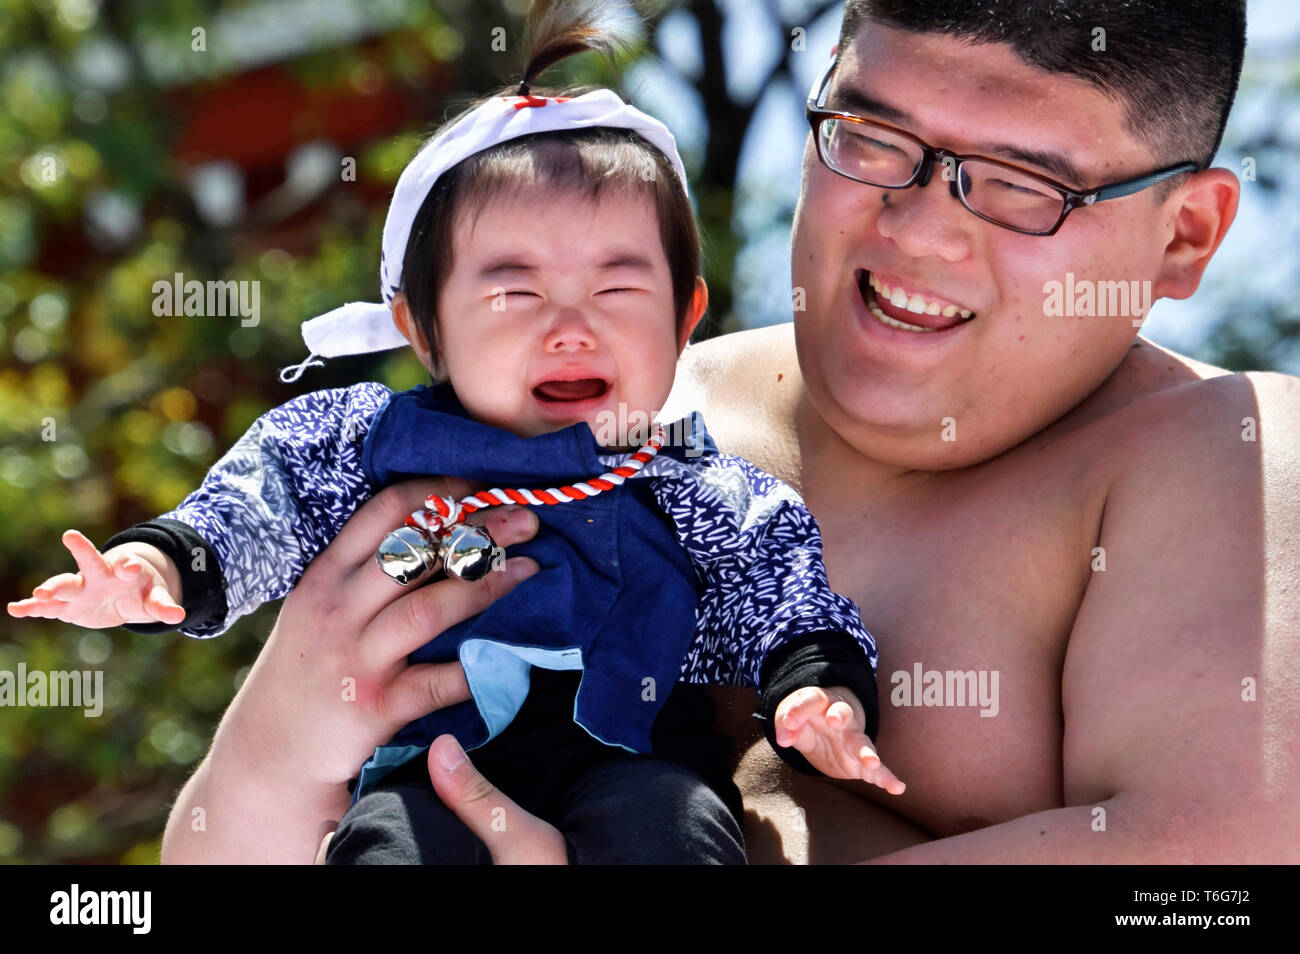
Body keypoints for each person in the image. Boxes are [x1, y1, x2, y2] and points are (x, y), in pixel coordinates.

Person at [8, 2, 904, 865]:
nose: (569, 326)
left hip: (636, 751)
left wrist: (813, 688)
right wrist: (161, 565)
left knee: (676, 831)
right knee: (389, 848)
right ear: (423, 330)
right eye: (515, 293)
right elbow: (262, 498)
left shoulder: (679, 471)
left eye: (617, 289)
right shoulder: (371, 441)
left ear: (685, 318)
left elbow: (776, 575)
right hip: (424, 763)